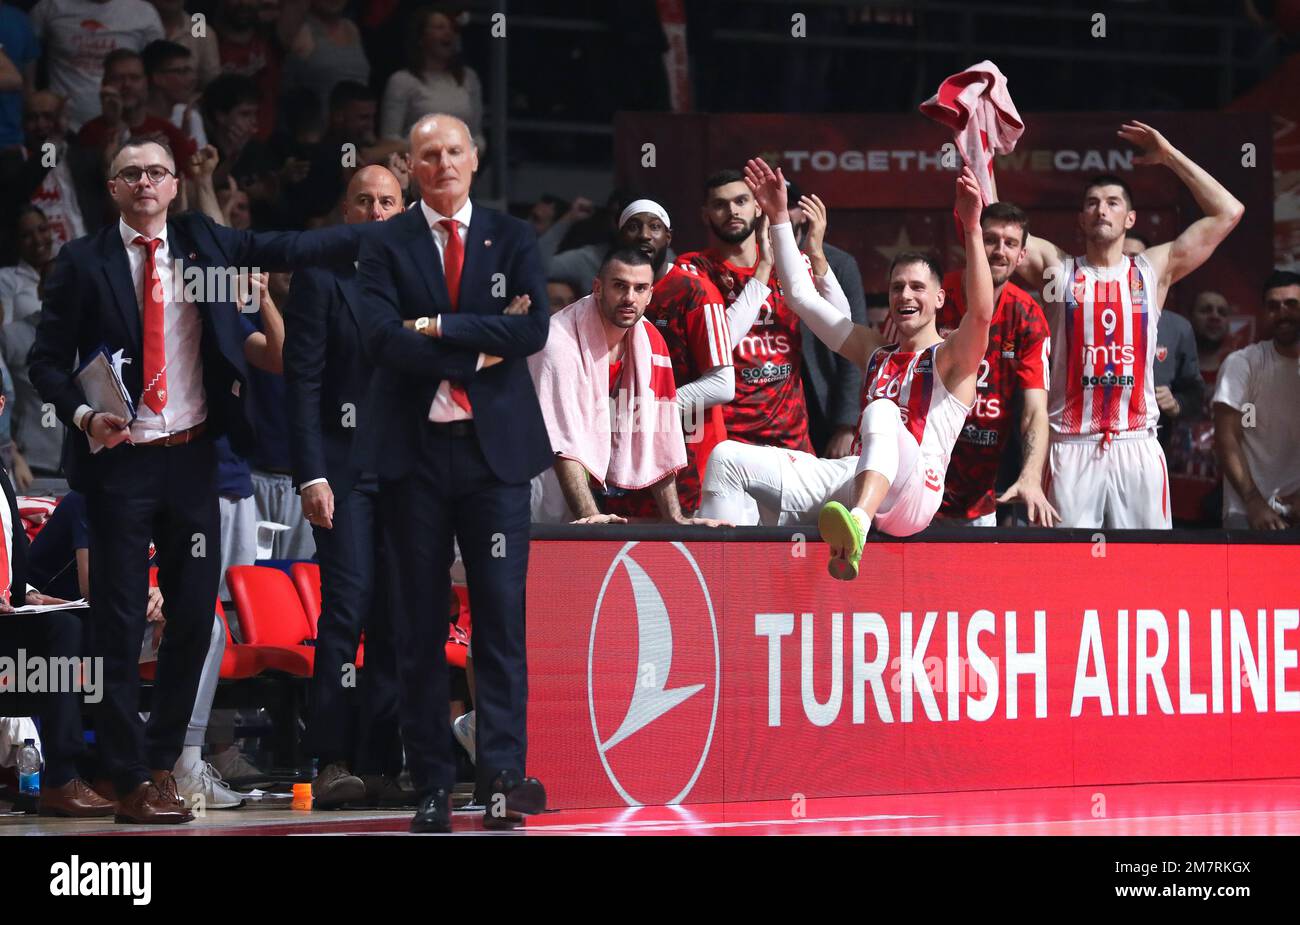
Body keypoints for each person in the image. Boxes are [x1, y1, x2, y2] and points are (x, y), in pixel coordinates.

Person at [28, 137, 364, 824]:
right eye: (130, 173)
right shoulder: (81, 262)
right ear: (114, 188)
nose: (144, 181)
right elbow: (45, 362)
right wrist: (85, 414)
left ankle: (159, 765)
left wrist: (364, 237)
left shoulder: (202, 242)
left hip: (192, 460)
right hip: (119, 460)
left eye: (156, 170)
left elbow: (282, 248)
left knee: (191, 621)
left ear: (176, 184)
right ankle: (127, 777)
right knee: (120, 625)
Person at [354, 112, 549, 832]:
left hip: (493, 456)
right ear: (411, 166)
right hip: (413, 458)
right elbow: (379, 340)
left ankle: (499, 780)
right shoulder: (384, 243)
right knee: (416, 625)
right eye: (428, 155)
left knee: (500, 618)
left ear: (476, 157)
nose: (443, 164)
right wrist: (479, 343)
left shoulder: (514, 235)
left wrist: (433, 326)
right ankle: (431, 780)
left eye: (454, 151)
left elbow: (531, 331)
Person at [700, 160, 992, 585]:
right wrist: (781, 217)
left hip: (915, 496)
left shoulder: (952, 357)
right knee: (727, 460)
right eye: (896, 287)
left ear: (941, 298)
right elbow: (800, 296)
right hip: (859, 476)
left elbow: (982, 315)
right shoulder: (873, 349)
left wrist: (972, 228)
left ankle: (856, 524)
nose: (904, 295)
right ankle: (717, 588)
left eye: (916, 287)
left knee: (881, 411)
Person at [1013, 121, 1244, 529]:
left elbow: (1229, 210)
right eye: (1092, 203)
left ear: (1131, 218)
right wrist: (979, 145)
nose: (1101, 209)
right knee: (1065, 574)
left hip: (1135, 443)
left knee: (1149, 572)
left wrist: (1169, 155)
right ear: (1081, 220)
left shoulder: (1153, 269)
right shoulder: (1057, 271)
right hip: (1070, 443)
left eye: (1113, 202)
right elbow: (997, 229)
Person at [284, 165, 410, 808]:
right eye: (364, 200)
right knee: (348, 605)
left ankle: (382, 760)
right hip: (342, 471)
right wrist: (310, 473)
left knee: (397, 609)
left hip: (409, 472)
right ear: (346, 211)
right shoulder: (321, 278)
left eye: (388, 200)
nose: (377, 210)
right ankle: (329, 759)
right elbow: (301, 381)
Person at [530, 246, 727, 528]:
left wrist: (675, 517)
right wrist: (591, 516)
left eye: (640, 288)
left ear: (650, 296)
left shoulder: (651, 342)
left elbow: (661, 433)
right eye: (620, 286)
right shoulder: (558, 342)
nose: (629, 298)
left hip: (586, 475)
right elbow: (564, 443)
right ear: (597, 288)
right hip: (535, 466)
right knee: (545, 558)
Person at [0, 413, 113, 818]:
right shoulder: (84, 501)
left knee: (69, 626)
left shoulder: (1, 474)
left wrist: (29, 594)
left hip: (9, 612)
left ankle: (69, 775)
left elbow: (14, 557)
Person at [934, 201, 1057, 527]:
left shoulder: (1028, 316)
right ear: (971, 241)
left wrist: (1031, 477)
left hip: (983, 495)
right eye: (990, 240)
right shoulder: (933, 296)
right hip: (918, 479)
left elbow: (1034, 411)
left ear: (1021, 256)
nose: (999, 251)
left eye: (1010, 243)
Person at [679, 168, 814, 453]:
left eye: (741, 201)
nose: (732, 211)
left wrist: (819, 257)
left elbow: (840, 325)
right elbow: (717, 344)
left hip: (793, 441)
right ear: (705, 215)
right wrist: (764, 267)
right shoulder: (693, 270)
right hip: (729, 443)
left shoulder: (791, 263)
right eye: (720, 205)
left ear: (757, 206)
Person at [784, 180, 870, 458]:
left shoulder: (840, 263)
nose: (779, 213)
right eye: (769, 206)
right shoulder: (751, 263)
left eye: (788, 205)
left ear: (802, 212)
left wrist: (846, 424)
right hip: (770, 408)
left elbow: (855, 339)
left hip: (823, 402)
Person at [1212, 270, 1300, 529]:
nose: (1282, 313)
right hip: (1248, 511)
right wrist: (1253, 501)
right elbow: (1226, 438)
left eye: (1291, 304)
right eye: (1273, 306)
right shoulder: (1242, 363)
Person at [29, 0, 165, 132]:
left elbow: (159, 72)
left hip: (124, 126)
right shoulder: (50, 7)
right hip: (60, 126)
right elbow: (27, 59)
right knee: (50, 156)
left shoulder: (144, 12)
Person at [0, 206, 60, 489]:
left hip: (84, 463)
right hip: (31, 463)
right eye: (52, 289)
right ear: (39, 292)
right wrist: (10, 448)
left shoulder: (94, 339)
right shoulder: (12, 336)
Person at [378, 6, 484, 149]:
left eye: (452, 28)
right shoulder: (401, 81)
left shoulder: (469, 78)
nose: (448, 33)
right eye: (440, 27)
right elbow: (390, 140)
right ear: (421, 38)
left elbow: (477, 136)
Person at [74, 48, 198, 169]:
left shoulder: (168, 132)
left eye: (135, 78)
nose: (127, 84)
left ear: (147, 83)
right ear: (104, 85)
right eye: (117, 78)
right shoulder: (90, 132)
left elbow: (191, 184)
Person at [141, 40, 206, 149]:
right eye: (182, 71)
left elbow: (204, 164)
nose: (192, 78)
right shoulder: (136, 119)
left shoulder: (190, 116)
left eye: (190, 71)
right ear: (158, 78)